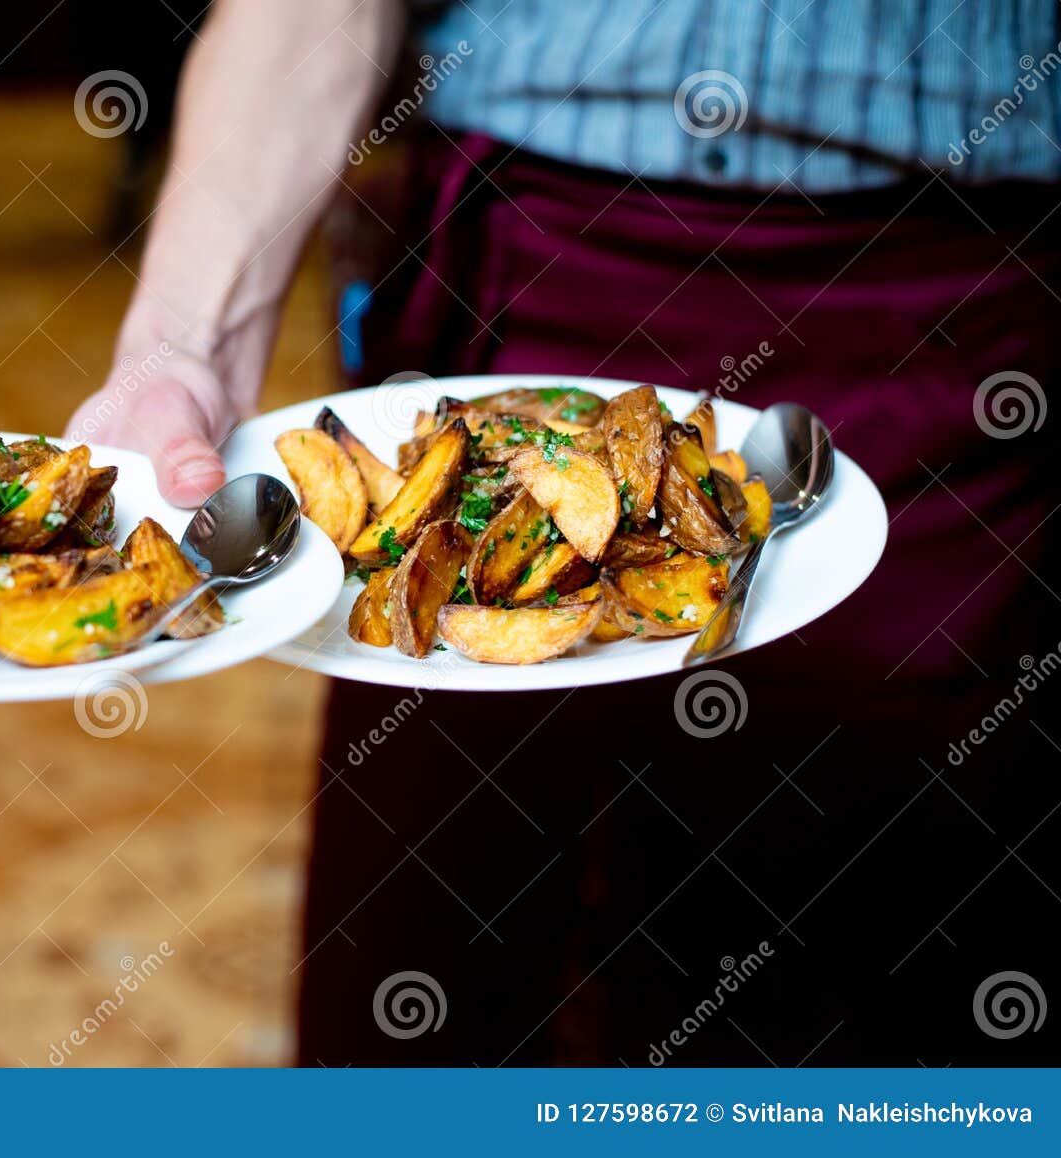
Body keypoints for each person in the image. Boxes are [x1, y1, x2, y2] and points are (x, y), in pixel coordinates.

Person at [68, 0, 1061, 1066]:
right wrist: (178, 347)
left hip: (949, 323)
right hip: (528, 277)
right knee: (427, 976)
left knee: (869, 970)